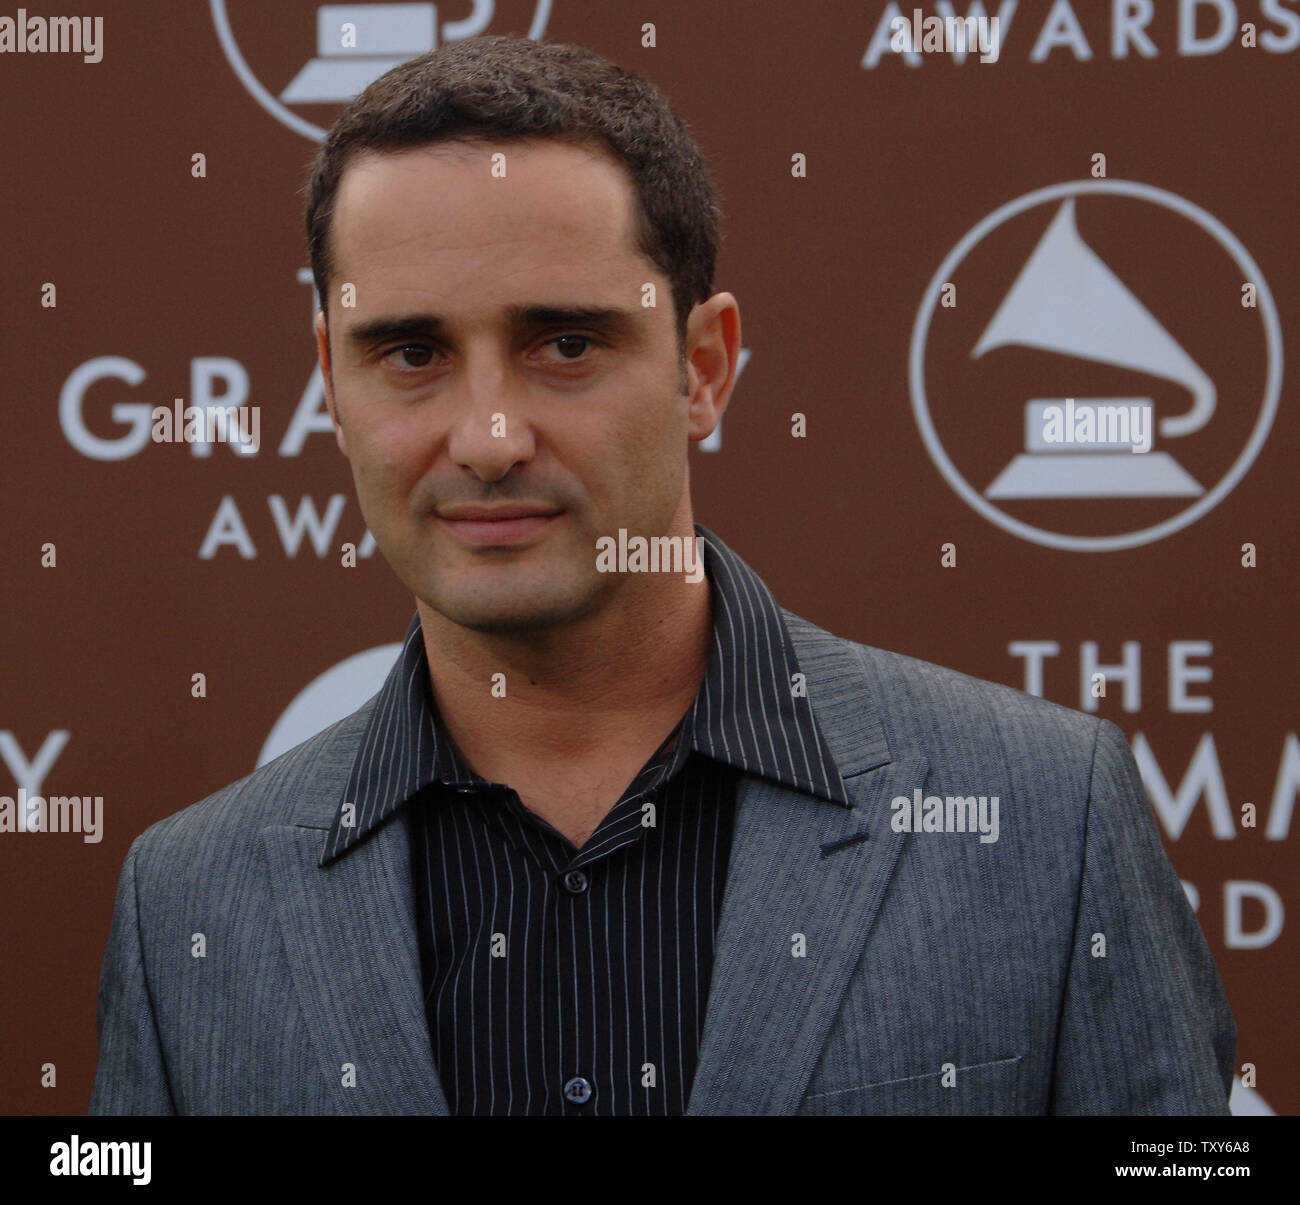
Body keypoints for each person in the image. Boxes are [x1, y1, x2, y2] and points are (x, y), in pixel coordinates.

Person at [90, 35, 1235, 1116]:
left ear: (704, 366)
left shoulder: (1045, 812)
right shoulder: (185, 902)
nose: (488, 438)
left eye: (567, 345)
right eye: (411, 353)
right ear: (331, 389)